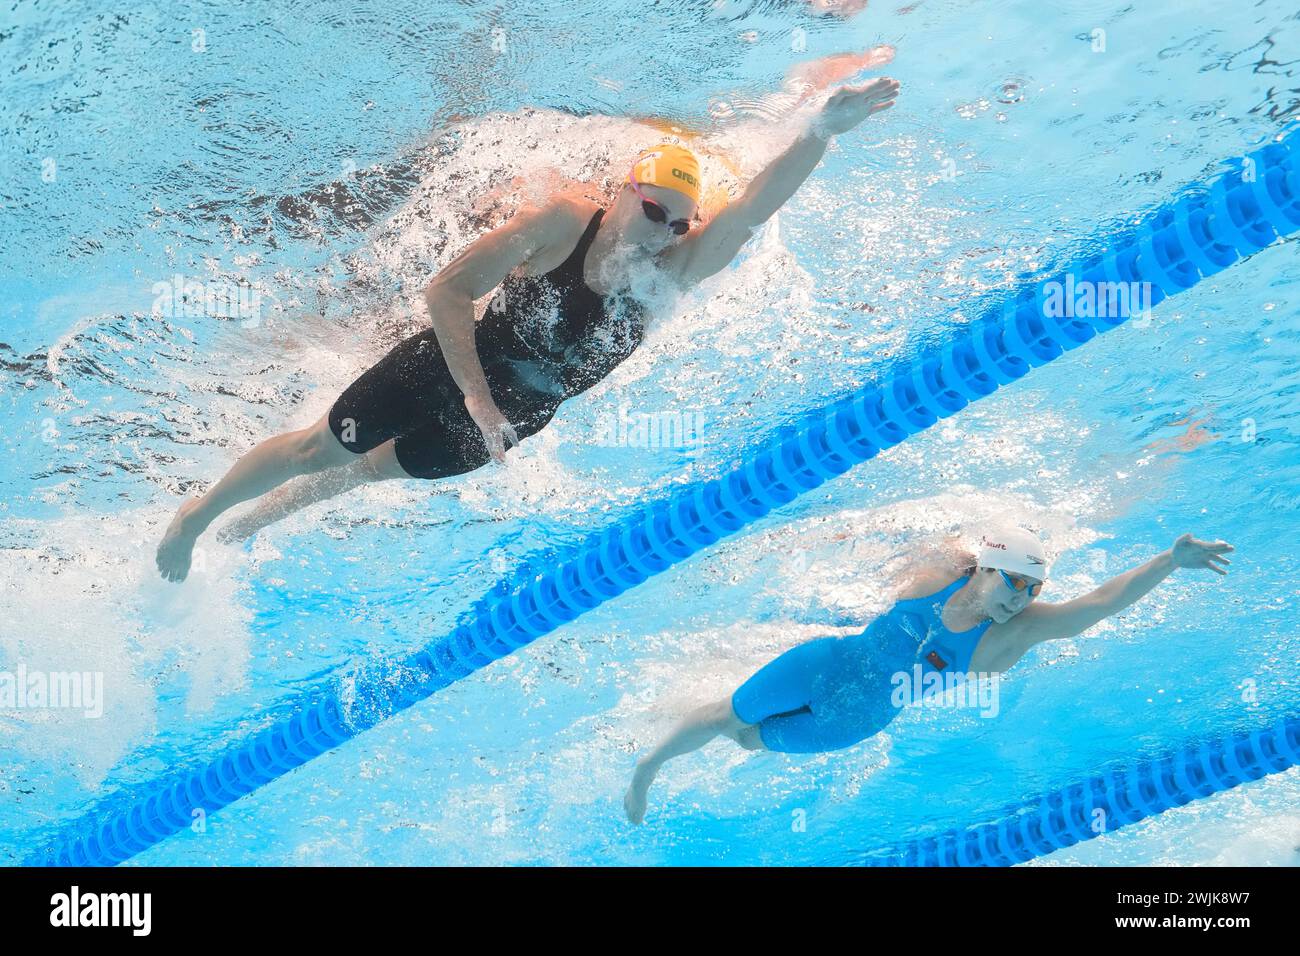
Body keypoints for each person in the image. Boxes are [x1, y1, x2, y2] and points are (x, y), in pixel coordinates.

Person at [155, 77, 902, 581]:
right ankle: (200, 517)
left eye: (679, 223)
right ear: (624, 192)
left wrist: (820, 133)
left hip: (516, 418)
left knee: (361, 476)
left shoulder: (670, 276)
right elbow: (446, 292)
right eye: (652, 211)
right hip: (452, 369)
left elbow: (751, 212)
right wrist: (479, 401)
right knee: (322, 447)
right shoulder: (559, 224)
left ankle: (247, 528)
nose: (664, 232)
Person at [623, 528, 1234, 824]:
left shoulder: (1011, 636)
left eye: (1034, 591)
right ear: (985, 569)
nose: (1021, 600)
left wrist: (1167, 562)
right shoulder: (940, 567)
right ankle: (647, 767)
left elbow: (1097, 606)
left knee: (750, 739)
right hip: (826, 663)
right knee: (728, 715)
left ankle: (692, 733)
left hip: (855, 720)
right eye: (1015, 584)